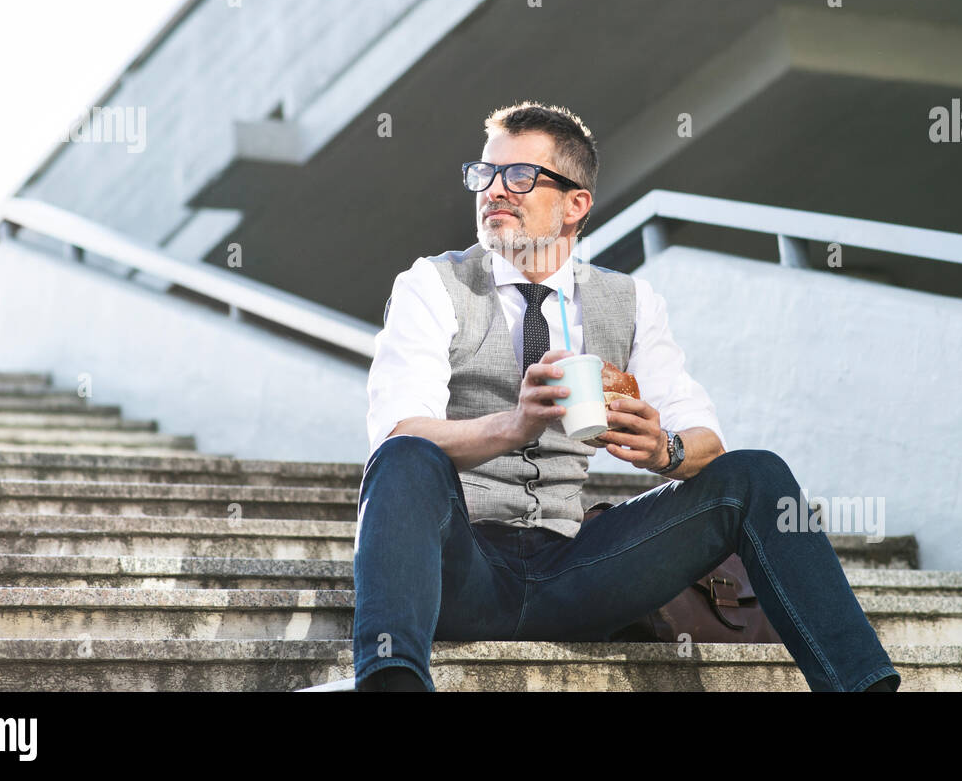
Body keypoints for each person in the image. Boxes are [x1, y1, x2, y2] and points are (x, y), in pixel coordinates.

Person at [355, 100, 900, 692]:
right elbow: (398, 432)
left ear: (575, 204)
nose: (493, 191)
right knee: (405, 457)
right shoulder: (432, 285)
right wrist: (514, 425)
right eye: (483, 174)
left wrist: (662, 448)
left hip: (578, 569)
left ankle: (861, 688)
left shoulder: (631, 302)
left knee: (756, 475)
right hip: (461, 567)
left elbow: (706, 442)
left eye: (518, 176)